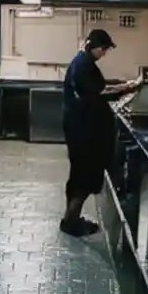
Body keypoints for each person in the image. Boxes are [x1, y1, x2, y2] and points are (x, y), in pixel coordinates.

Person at [60, 29, 140, 236]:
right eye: (103, 49)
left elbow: (98, 88)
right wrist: (127, 88)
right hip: (84, 132)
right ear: (94, 46)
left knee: (79, 175)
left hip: (81, 129)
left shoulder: (84, 63)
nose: (104, 53)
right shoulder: (83, 65)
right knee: (84, 176)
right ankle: (71, 222)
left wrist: (122, 86)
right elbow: (100, 93)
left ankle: (71, 218)